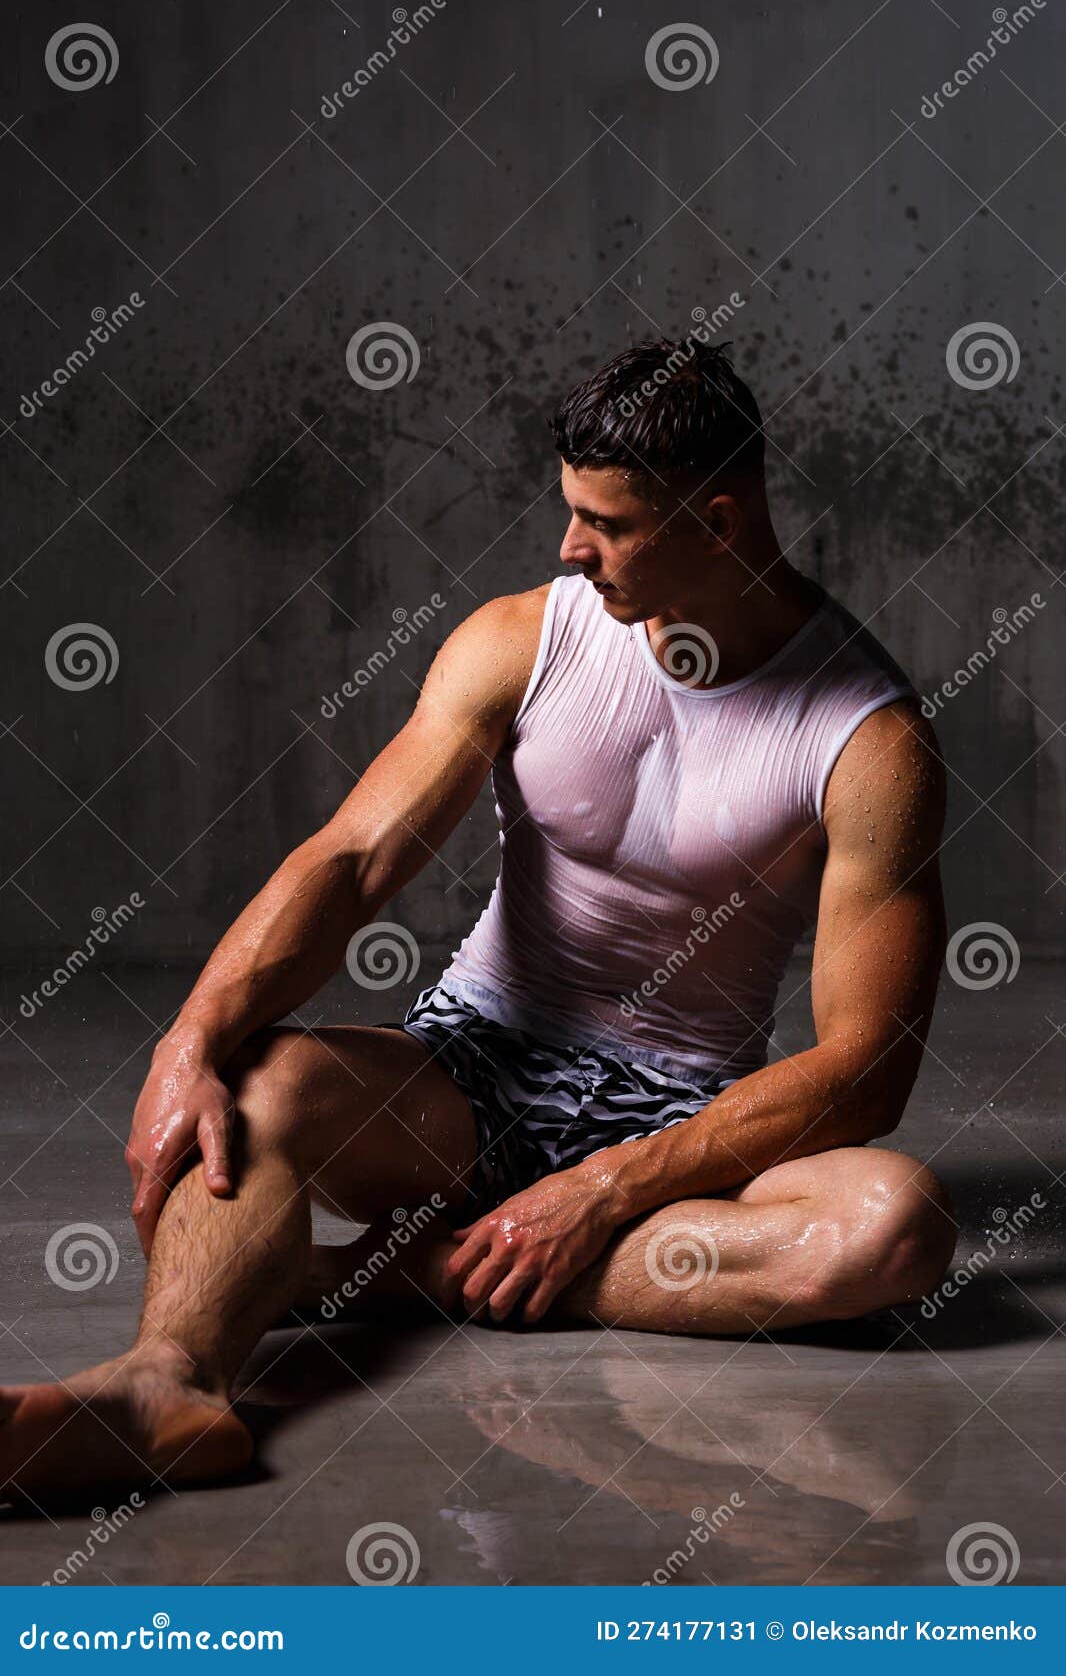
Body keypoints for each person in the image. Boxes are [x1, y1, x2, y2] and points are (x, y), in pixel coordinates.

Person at [0, 339, 956, 1502]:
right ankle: (166, 1385)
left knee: (890, 1230)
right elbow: (351, 859)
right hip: (469, 1074)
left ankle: (401, 1276)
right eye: (569, 512)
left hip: (675, 1125)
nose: (568, 547)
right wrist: (191, 1033)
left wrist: (603, 1189)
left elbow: (867, 1066)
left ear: (714, 520)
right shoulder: (523, 639)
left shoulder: (868, 738)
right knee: (257, 1088)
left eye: (604, 522)